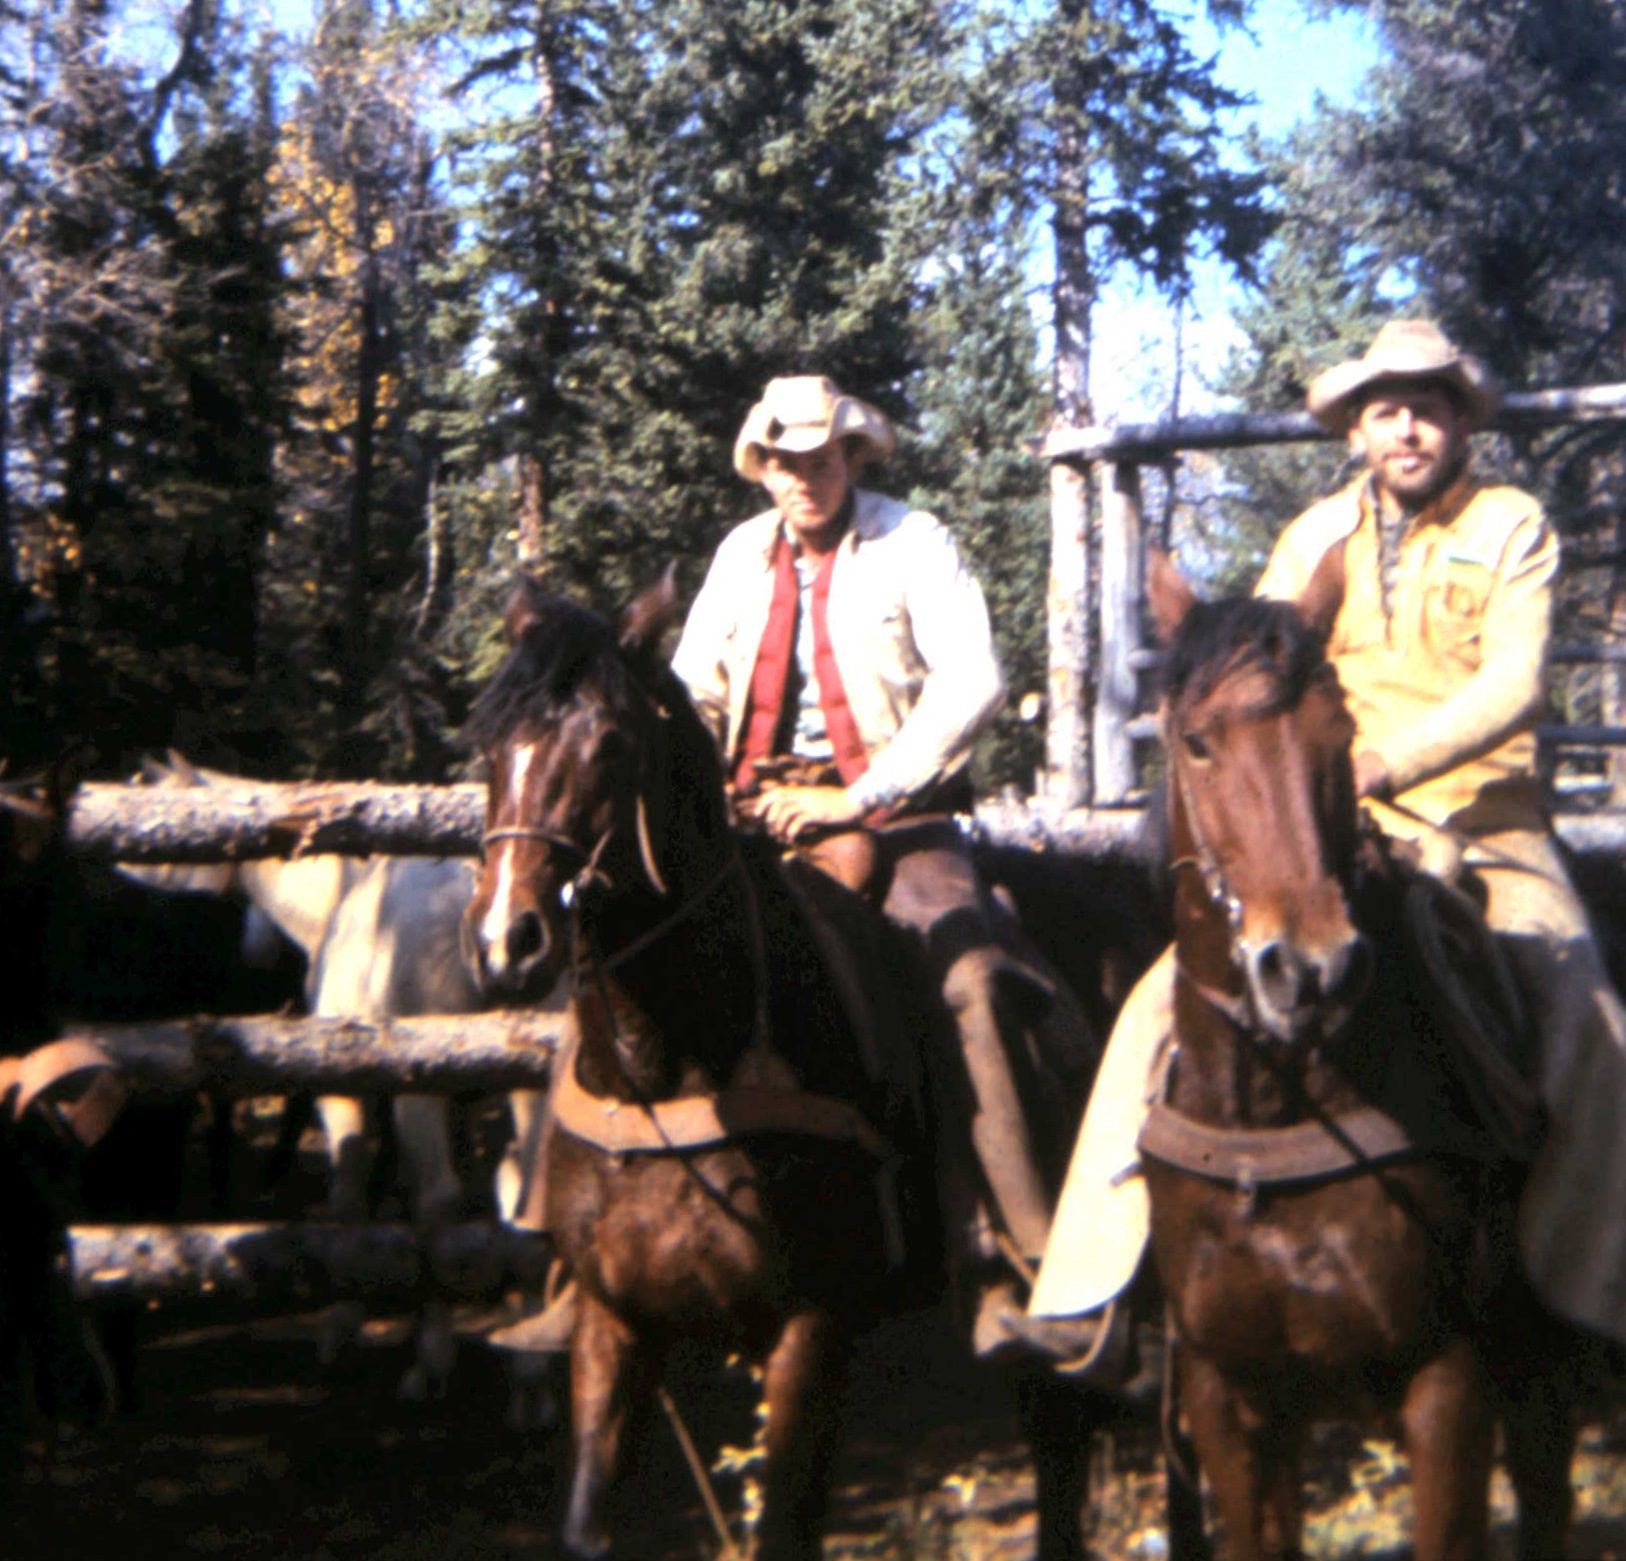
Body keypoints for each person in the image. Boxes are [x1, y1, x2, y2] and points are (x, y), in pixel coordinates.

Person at [1027, 317, 1626, 1356]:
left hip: (1486, 819)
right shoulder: (1310, 540)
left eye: (1428, 406)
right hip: (1328, 828)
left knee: (1590, 1020)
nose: (1407, 428)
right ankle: (1088, 1292)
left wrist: (1388, 765)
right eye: (1385, 409)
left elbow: (1517, 682)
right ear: (1355, 431)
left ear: (1458, 422)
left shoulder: (1511, 523)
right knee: (1156, 1008)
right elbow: (1258, 684)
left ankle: (1582, 1294)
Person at [672, 373, 1090, 1353]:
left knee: (973, 980)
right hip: (754, 811)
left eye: (822, 460)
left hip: (900, 814)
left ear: (853, 458)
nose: (804, 479)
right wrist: (701, 777)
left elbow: (975, 679)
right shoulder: (740, 559)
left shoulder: (915, 541)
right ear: (764, 468)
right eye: (785, 462)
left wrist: (858, 796)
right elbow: (694, 686)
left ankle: (1022, 1258)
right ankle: (595, 1237)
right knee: (647, 945)